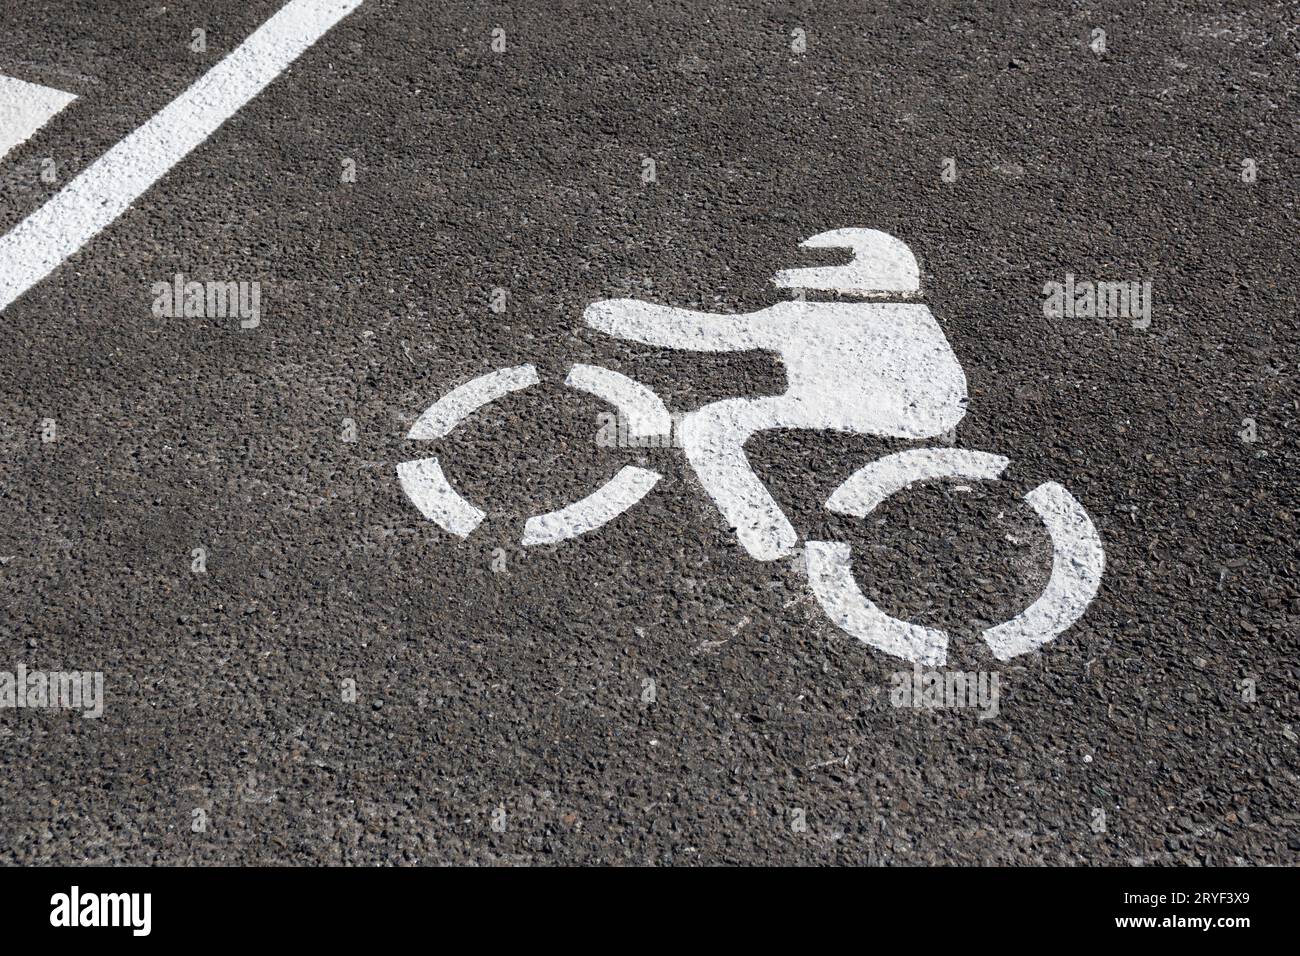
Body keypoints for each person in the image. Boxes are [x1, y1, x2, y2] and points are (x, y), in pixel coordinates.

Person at [583, 229, 968, 561]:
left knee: (711, 424)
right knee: (731, 416)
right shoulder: (907, 312)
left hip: (890, 409)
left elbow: (714, 335)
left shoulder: (806, 313)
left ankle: (764, 532)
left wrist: (621, 316)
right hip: (935, 405)